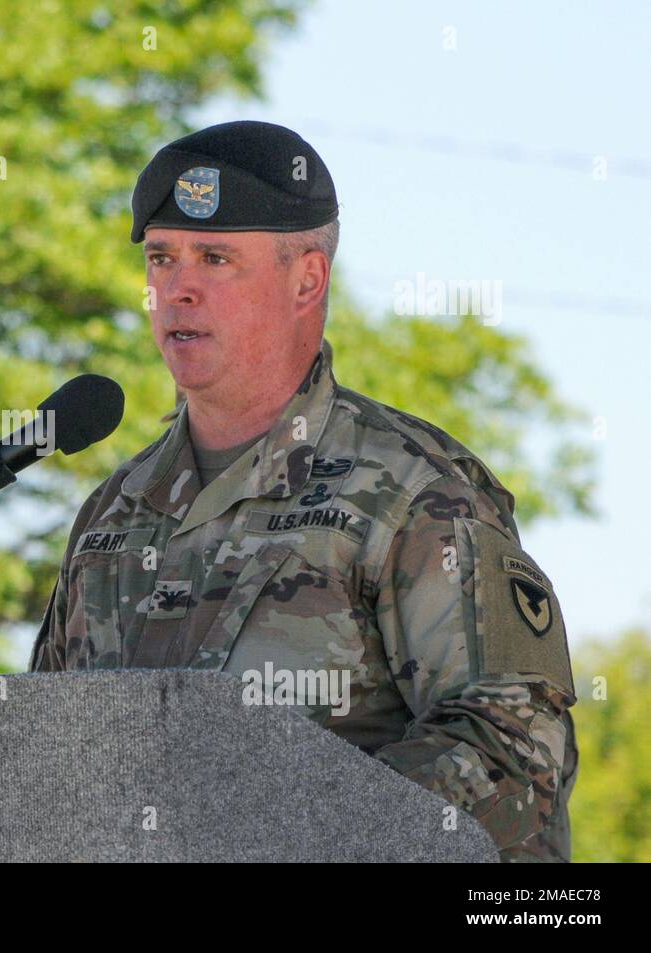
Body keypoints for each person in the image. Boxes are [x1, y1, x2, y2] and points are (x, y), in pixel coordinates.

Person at [28, 120, 577, 863]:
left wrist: (293, 841)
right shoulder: (112, 518)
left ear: (307, 279)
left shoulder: (414, 491)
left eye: (215, 258)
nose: (177, 288)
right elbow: (35, 764)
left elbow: (514, 752)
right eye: (161, 258)